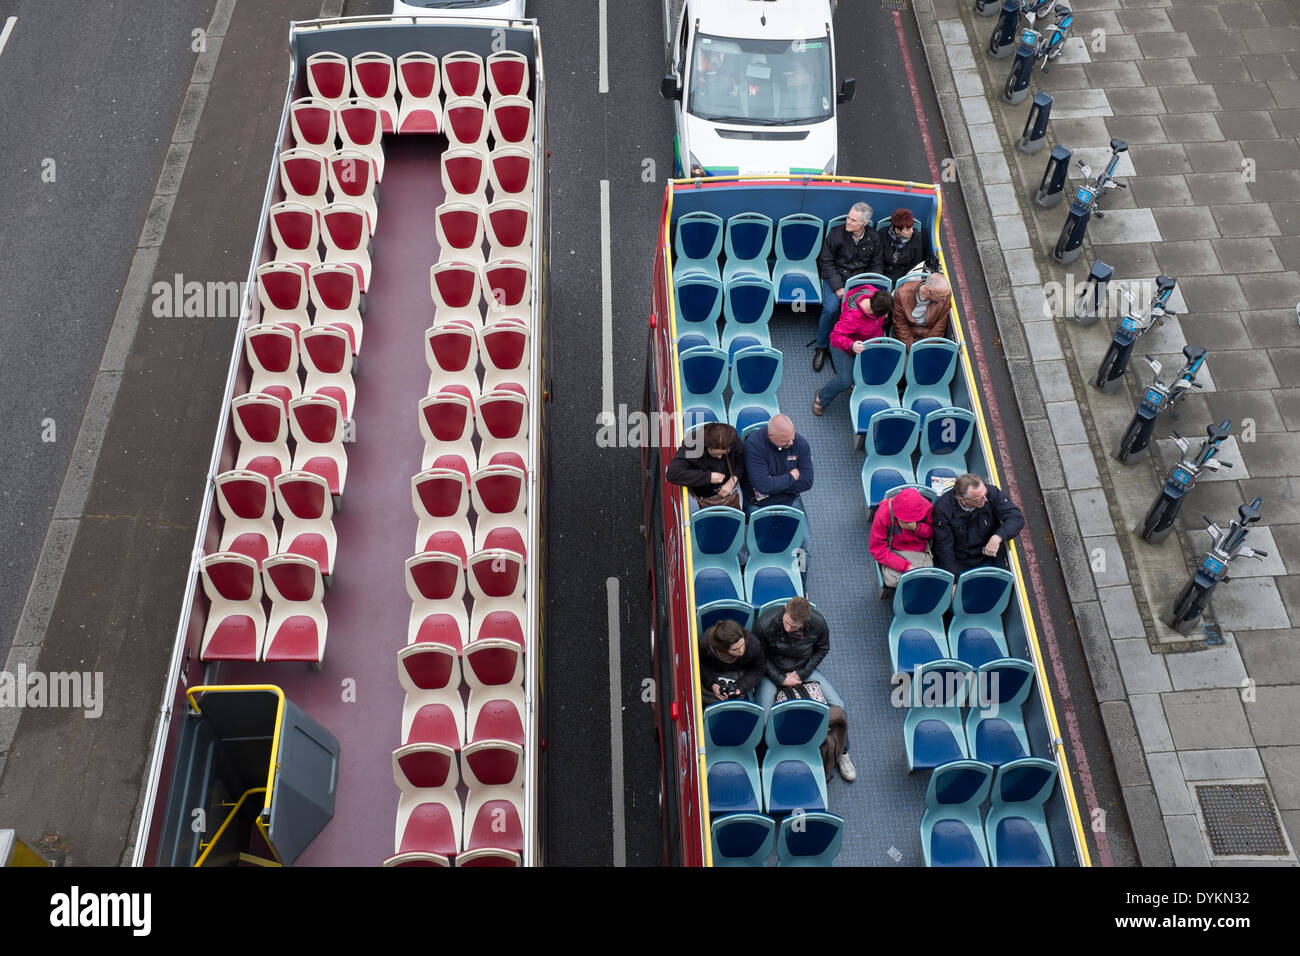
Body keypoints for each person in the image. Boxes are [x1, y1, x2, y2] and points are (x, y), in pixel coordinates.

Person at [754, 597, 855, 781]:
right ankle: (765, 761)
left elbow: (822, 649)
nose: (787, 629)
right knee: (765, 720)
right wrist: (782, 679)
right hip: (773, 673)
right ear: (785, 609)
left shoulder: (818, 623)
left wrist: (801, 674)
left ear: (805, 621)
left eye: (794, 627)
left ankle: (843, 752)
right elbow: (759, 657)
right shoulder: (765, 624)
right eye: (786, 623)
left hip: (803, 670)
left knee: (840, 706)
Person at [812, 201, 883, 372]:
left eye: (853, 220)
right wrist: (838, 287)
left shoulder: (874, 238)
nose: (848, 222)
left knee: (862, 313)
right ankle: (821, 346)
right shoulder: (836, 235)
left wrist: (870, 289)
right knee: (830, 309)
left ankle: (847, 347)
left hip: (860, 283)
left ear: (864, 223)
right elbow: (826, 262)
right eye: (848, 218)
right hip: (836, 278)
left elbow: (877, 264)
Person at [812, 287, 893, 416]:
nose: (885, 316)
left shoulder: (873, 293)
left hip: (867, 344)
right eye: (884, 314)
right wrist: (851, 345)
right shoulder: (853, 318)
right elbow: (835, 336)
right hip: (844, 346)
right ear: (873, 312)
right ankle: (821, 398)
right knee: (844, 380)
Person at [742, 414, 813, 559]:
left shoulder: (800, 444)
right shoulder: (753, 445)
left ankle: (800, 579)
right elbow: (763, 485)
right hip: (758, 503)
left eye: (792, 437)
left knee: (804, 547)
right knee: (761, 547)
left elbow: (807, 482)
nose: (792, 443)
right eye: (785, 440)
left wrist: (774, 483)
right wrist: (791, 477)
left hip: (790, 499)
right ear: (771, 436)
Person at [932, 473, 1025, 577]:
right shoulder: (943, 510)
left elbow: (1016, 518)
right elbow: (944, 548)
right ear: (963, 500)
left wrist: (998, 537)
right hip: (959, 562)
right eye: (980, 499)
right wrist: (954, 580)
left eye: (985, 494)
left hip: (987, 556)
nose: (986, 500)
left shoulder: (992, 493)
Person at [665, 421, 745, 509]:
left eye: (725, 452)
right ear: (706, 446)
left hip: (730, 485)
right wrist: (708, 477)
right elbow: (672, 473)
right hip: (700, 492)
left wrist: (733, 480)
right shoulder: (693, 445)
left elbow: (740, 460)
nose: (719, 457)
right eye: (715, 454)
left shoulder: (731, 440)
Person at [869, 486, 935, 588]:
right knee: (895, 581)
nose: (908, 522)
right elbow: (877, 549)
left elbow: (932, 534)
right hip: (894, 552)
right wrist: (906, 567)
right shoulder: (883, 513)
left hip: (919, 551)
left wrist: (917, 528)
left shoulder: (927, 508)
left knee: (925, 581)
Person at [698, 619, 767, 706]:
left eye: (743, 644)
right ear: (722, 649)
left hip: (739, 672)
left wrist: (741, 686)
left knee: (734, 700)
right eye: (736, 649)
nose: (742, 651)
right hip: (713, 671)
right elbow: (701, 665)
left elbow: (758, 669)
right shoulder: (705, 644)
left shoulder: (753, 644)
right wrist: (712, 684)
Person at [892, 272, 952, 349]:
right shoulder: (902, 294)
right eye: (941, 296)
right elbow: (900, 324)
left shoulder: (945, 295)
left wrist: (927, 347)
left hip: (929, 335)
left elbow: (940, 327)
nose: (944, 299)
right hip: (908, 335)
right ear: (929, 291)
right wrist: (910, 347)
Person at [877, 208, 927, 283]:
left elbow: (915, 264)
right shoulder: (881, 234)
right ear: (897, 230)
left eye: (912, 227)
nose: (912, 231)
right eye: (908, 230)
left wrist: (902, 281)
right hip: (882, 275)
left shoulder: (918, 237)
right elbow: (877, 258)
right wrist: (880, 277)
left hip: (902, 278)